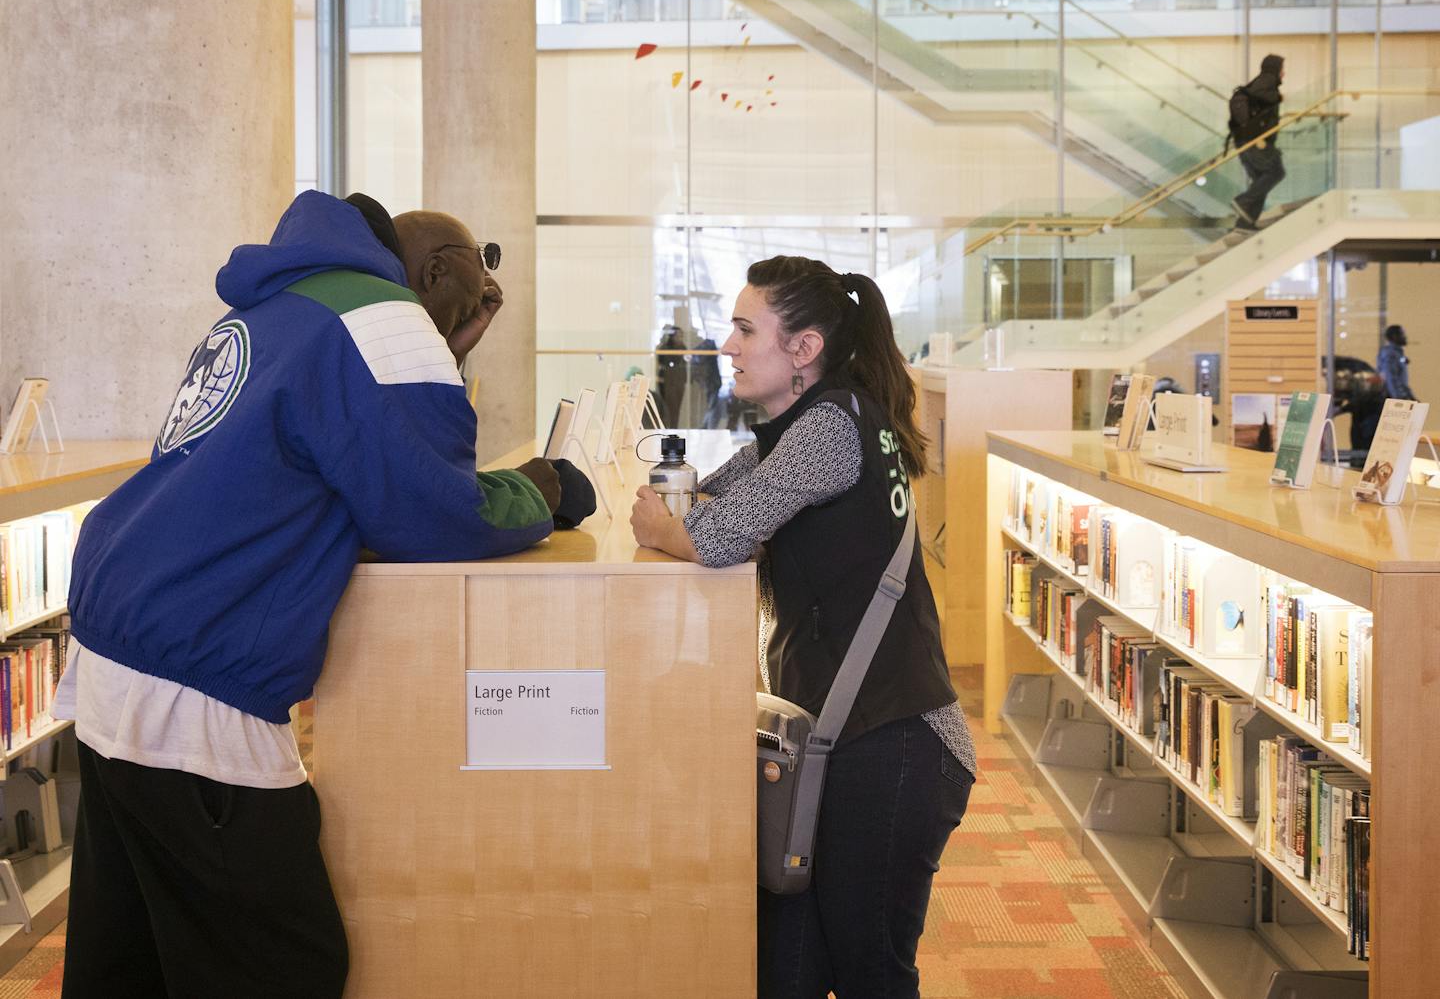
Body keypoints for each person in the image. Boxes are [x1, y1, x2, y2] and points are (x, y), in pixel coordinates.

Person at [57, 190, 592, 998]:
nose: (474, 308)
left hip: (112, 637)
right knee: (285, 962)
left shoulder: (278, 306)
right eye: (475, 293)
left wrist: (448, 350)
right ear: (440, 271)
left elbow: (361, 470)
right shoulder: (381, 317)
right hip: (198, 674)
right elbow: (438, 515)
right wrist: (540, 490)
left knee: (133, 951)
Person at [629, 256, 977, 998]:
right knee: (788, 966)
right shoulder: (810, 426)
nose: (727, 344)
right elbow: (713, 500)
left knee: (870, 975)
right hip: (851, 737)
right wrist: (677, 513)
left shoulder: (827, 430)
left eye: (745, 328)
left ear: (804, 349)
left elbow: (712, 535)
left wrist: (663, 527)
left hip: (895, 742)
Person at [1230, 54, 1287, 231]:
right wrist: (1278, 98)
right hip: (1256, 141)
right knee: (1276, 172)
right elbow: (1259, 94)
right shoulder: (1267, 80)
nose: (1284, 73)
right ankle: (1243, 200)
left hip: (1244, 140)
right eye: (1282, 69)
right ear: (1274, 69)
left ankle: (1245, 222)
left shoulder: (1260, 81)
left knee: (1261, 180)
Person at [1377, 324, 1416, 401]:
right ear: (1395, 336)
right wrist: (1400, 399)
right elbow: (1391, 378)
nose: (1405, 337)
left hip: (1396, 397)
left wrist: (1411, 396)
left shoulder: (1397, 354)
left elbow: (1401, 381)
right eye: (1402, 334)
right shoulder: (1391, 354)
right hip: (1392, 399)